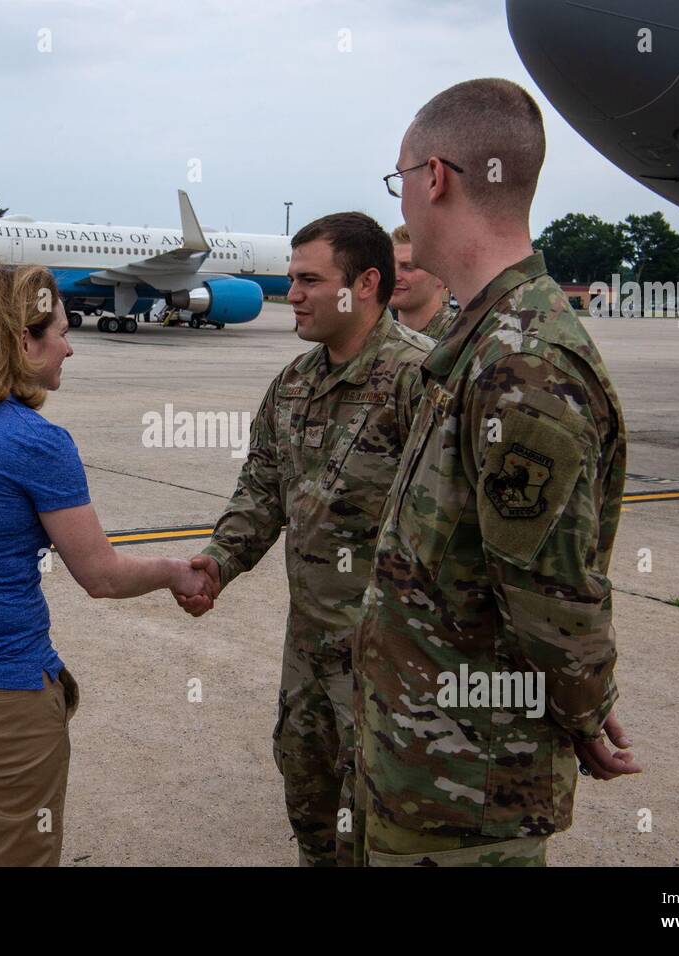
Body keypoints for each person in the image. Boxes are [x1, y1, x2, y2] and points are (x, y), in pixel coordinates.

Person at [354, 78, 641, 867]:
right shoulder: (484, 341)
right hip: (428, 762)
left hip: (468, 786)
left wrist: (586, 710)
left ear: (435, 178)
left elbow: (550, 595)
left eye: (401, 181)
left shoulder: (524, 362)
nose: (404, 204)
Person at [0, 266, 209, 867]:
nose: (70, 346)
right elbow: (100, 577)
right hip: (2, 697)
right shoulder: (37, 442)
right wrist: (175, 570)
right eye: (61, 332)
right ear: (23, 341)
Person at [176, 213, 434, 866]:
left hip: (398, 669)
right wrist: (218, 562)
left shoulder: (424, 383)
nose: (291, 293)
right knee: (310, 801)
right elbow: (261, 492)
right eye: (291, 278)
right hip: (311, 656)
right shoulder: (293, 385)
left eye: (309, 280)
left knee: (388, 830)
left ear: (366, 284)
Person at [389, 223, 457, 339]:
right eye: (389, 266)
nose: (394, 276)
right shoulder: (370, 335)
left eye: (408, 267)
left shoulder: (459, 339)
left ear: (440, 275)